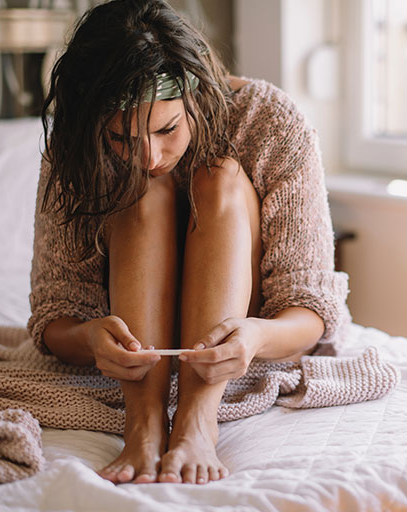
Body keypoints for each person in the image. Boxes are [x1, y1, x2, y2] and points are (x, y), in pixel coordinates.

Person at [28, 0, 349, 485]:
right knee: (140, 189)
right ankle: (145, 423)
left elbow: (310, 311)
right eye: (119, 137)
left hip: (240, 315)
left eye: (167, 129)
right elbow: (56, 312)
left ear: (195, 96)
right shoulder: (76, 147)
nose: (149, 155)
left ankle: (198, 422)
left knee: (220, 177)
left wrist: (257, 335)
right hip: (131, 324)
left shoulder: (269, 122)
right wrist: (89, 337)